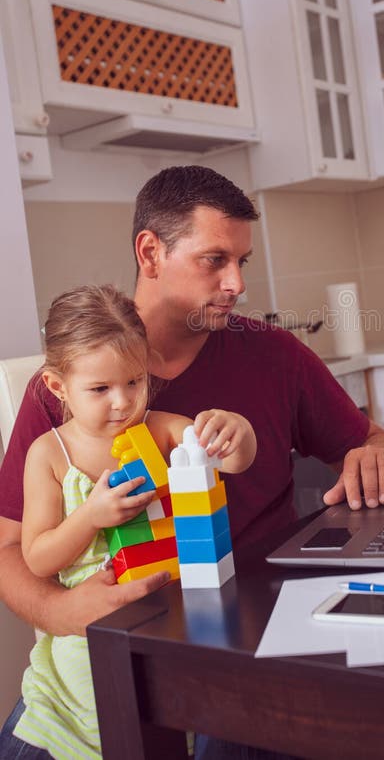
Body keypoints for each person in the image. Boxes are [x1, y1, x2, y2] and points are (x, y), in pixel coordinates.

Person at [0, 165, 384, 758]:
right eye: (215, 259)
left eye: (243, 261)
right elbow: (12, 549)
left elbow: (371, 438)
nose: (237, 283)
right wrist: (63, 611)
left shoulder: (275, 355)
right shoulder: (72, 388)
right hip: (98, 650)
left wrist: (378, 454)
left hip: (244, 638)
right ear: (151, 253)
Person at [9, 284, 255, 760]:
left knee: (202, 697)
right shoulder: (50, 456)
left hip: (179, 606)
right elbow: (37, 559)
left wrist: (237, 435)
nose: (123, 403)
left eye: (134, 382)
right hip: (96, 623)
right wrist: (90, 516)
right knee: (114, 714)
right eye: (100, 389)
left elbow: (231, 462)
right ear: (58, 387)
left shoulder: (162, 430)